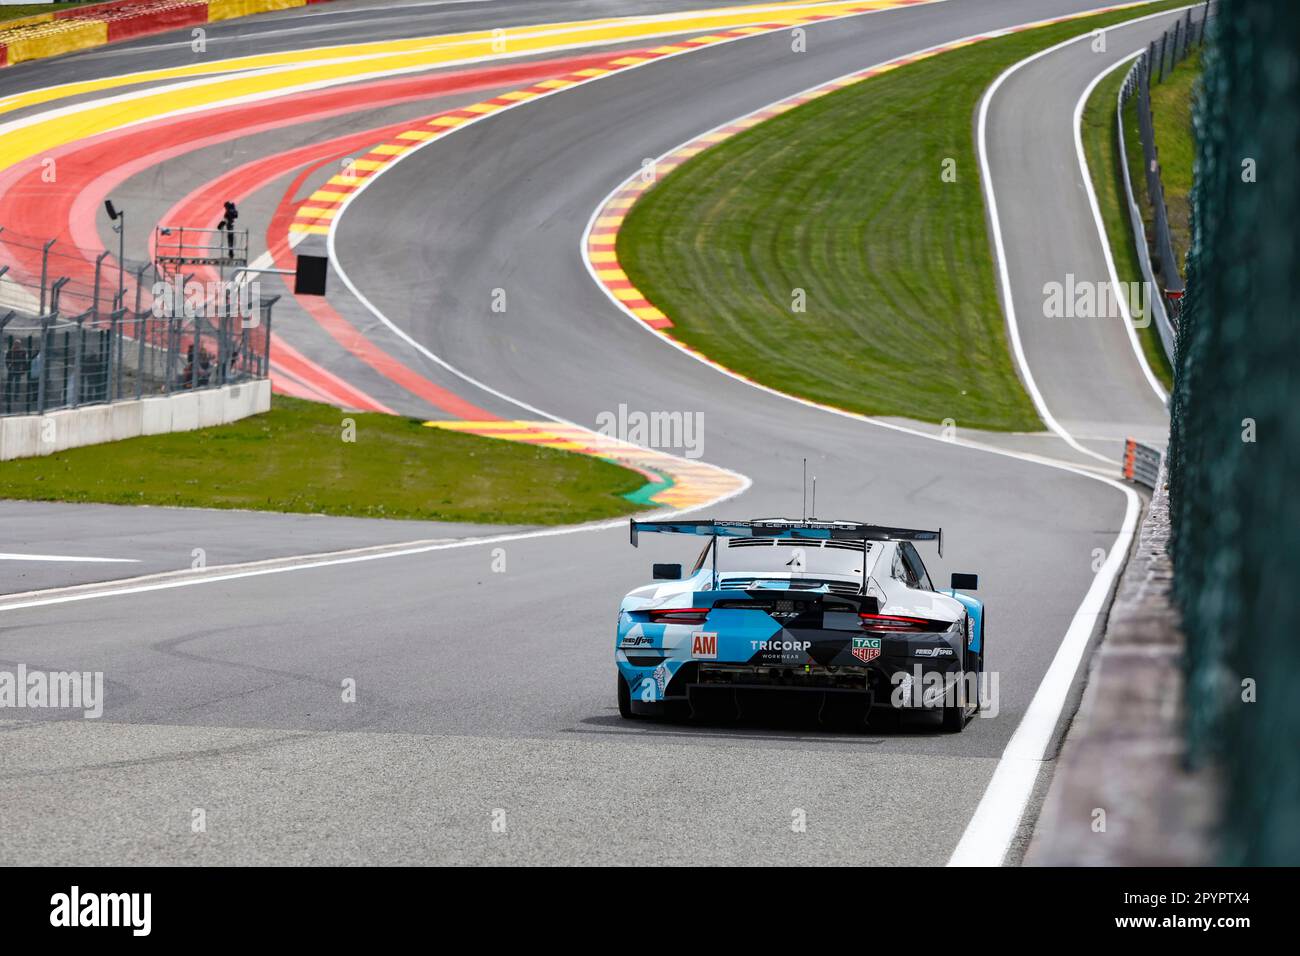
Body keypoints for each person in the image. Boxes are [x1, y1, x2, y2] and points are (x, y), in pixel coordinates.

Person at [4, 337, 29, 413]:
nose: (17, 345)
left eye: (18, 344)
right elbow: (7, 359)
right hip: (12, 369)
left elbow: (24, 361)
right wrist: (8, 366)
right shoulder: (11, 351)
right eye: (16, 343)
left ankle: (16, 396)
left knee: (17, 383)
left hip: (18, 369)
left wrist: (24, 369)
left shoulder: (22, 351)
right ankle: (7, 395)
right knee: (9, 383)